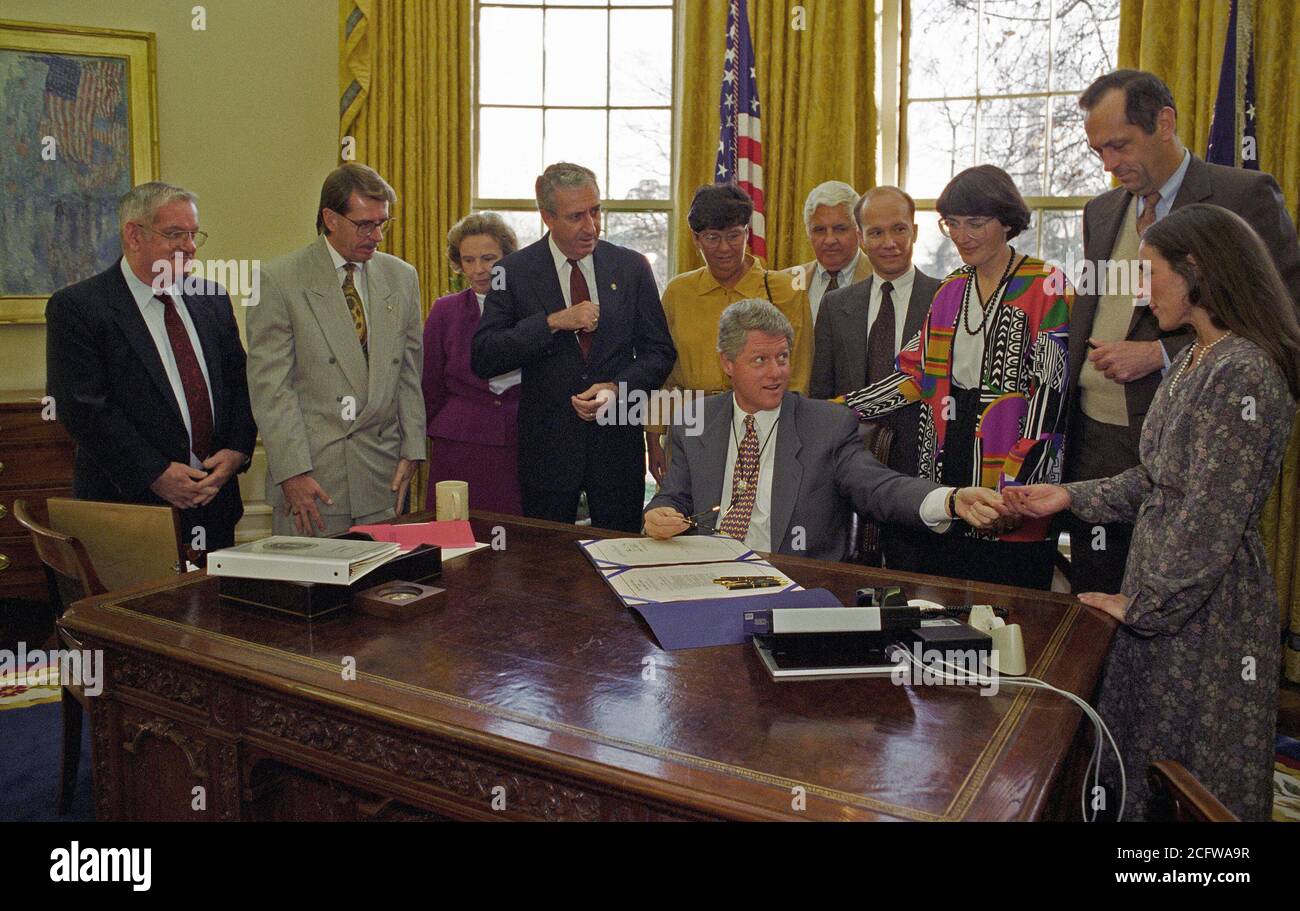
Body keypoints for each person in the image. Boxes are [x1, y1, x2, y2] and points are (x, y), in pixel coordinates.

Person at [1004, 204, 1300, 821]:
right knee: (1138, 759)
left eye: (1150, 271)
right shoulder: (1194, 357)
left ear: (1195, 271)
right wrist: (1070, 497)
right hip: (1162, 591)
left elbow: (1210, 517)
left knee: (1192, 779)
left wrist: (1144, 605)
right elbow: (1159, 480)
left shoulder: (1242, 372)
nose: (1141, 289)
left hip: (1206, 613)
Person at [1064, 69, 1300, 594]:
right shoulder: (1101, 211)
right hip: (1091, 433)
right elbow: (1092, 307)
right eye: (1098, 150)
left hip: (1187, 440)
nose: (1109, 164)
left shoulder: (1243, 197)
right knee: (1098, 594)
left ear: (1164, 123)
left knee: (1172, 588)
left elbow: (1281, 319)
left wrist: (1161, 353)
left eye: (1120, 145)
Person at [840, 165, 1072, 590]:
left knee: (1010, 615)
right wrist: (837, 411)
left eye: (976, 223)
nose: (963, 236)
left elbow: (1048, 402)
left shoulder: (1046, 285)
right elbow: (913, 375)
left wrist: (1015, 491)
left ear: (1006, 221)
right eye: (953, 224)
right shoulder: (951, 289)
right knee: (942, 607)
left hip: (1015, 471)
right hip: (946, 467)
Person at [644, 299, 1008, 560]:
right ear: (727, 363)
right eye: (760, 360)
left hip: (795, 580)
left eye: (782, 357)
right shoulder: (695, 421)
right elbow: (673, 497)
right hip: (707, 573)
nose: (777, 373)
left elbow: (880, 487)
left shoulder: (826, 425)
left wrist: (949, 500)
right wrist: (657, 515)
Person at [45, 182, 257, 560]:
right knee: (136, 618)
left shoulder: (211, 298)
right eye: (175, 234)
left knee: (214, 617)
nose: (190, 247)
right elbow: (83, 408)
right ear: (134, 235)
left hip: (214, 507)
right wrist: (155, 473)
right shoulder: (79, 307)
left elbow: (240, 384)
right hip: (130, 508)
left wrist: (237, 451)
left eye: (194, 235)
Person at [471, 162, 676, 533]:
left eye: (596, 211)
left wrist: (617, 389)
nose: (592, 226)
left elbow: (659, 352)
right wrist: (552, 322)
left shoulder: (631, 267)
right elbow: (485, 354)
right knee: (545, 570)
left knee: (621, 561)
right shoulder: (513, 271)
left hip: (617, 450)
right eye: (576, 216)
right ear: (547, 216)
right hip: (547, 453)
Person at [247, 163, 425, 536]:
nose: (377, 236)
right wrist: (292, 472)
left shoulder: (401, 277)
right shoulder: (278, 280)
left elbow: (408, 372)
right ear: (330, 218)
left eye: (382, 223)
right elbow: (272, 390)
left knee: (381, 589)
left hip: (381, 473)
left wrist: (412, 449)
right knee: (314, 590)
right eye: (365, 224)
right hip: (314, 479)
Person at [811, 186, 942, 570]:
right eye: (876, 232)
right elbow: (824, 395)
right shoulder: (836, 306)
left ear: (915, 232)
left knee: (916, 581)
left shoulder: (946, 299)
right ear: (861, 237)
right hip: (854, 467)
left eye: (899, 229)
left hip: (923, 471)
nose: (889, 242)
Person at [647, 183, 812, 482]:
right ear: (696, 238)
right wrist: (654, 435)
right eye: (712, 238)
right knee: (688, 515)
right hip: (691, 427)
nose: (724, 248)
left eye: (734, 235)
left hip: (762, 426)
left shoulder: (785, 291)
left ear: (747, 233)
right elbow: (664, 371)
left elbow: (798, 373)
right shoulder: (678, 292)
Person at [422, 213, 522, 515]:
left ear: (507, 258)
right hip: (459, 444)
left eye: (488, 258)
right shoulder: (445, 310)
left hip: (520, 439)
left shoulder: (533, 308)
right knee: (455, 532)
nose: (478, 270)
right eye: (468, 260)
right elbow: (430, 384)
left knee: (517, 539)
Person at [796, 180, 873, 323]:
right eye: (819, 230)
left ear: (859, 231)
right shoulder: (788, 282)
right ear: (808, 233)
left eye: (840, 229)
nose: (829, 240)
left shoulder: (882, 279)